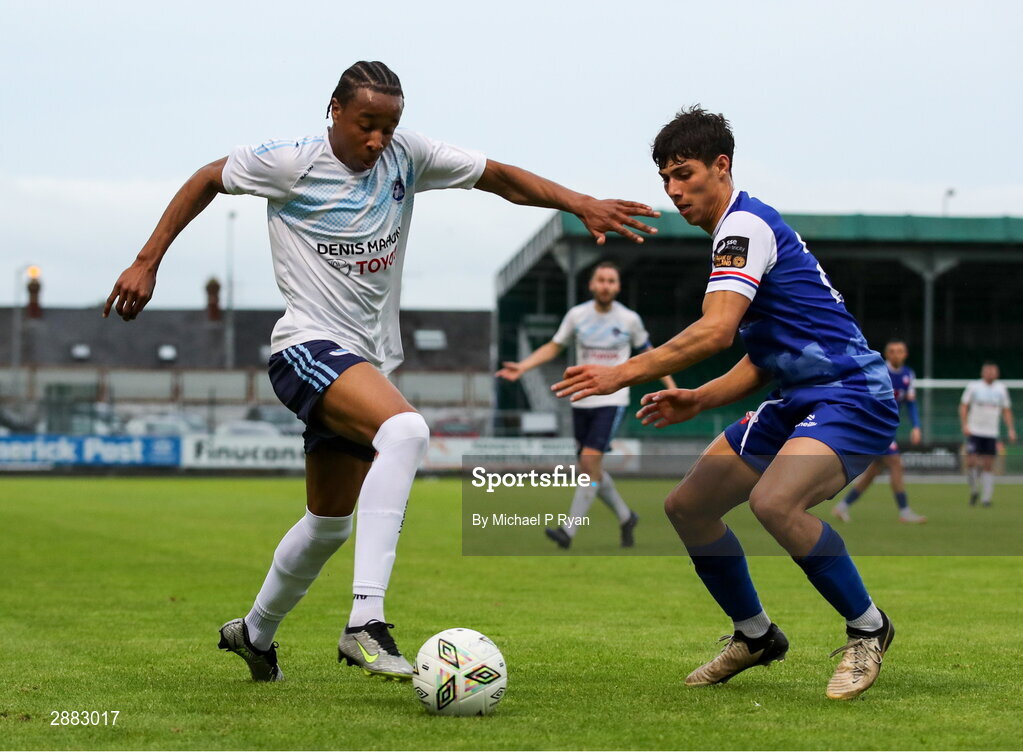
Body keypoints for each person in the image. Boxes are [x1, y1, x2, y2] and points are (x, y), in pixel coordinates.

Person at [103, 61, 659, 683]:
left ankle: (254, 633)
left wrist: (579, 203)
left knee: (327, 525)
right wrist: (147, 260)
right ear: (335, 109)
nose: (377, 140)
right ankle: (365, 621)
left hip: (363, 361)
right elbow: (208, 177)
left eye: (388, 127)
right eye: (366, 124)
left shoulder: (407, 156)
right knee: (407, 430)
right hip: (306, 346)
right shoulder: (289, 163)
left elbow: (499, 177)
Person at [553, 106, 900, 700]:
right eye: (665, 178)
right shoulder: (735, 234)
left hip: (851, 393)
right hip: (797, 397)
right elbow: (765, 358)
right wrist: (698, 398)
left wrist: (623, 372)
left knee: (775, 502)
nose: (672, 190)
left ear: (721, 166)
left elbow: (716, 332)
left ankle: (868, 628)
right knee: (688, 506)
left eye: (683, 174)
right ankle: (755, 635)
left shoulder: (743, 229)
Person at [496, 261, 676, 549]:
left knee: (589, 464)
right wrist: (523, 366)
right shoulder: (577, 315)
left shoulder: (629, 319)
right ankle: (626, 516)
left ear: (618, 287)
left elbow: (650, 354)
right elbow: (555, 345)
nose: (605, 285)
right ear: (591, 284)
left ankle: (568, 531)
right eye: (600, 280)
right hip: (581, 401)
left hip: (612, 400)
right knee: (590, 469)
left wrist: (672, 387)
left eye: (611, 281)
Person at [832, 340, 927, 523]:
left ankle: (842, 507)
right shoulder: (879, 371)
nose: (896, 354)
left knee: (873, 472)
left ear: (905, 354)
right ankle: (905, 512)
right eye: (892, 351)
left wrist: (916, 426)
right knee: (896, 464)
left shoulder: (908, 374)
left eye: (900, 351)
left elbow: (910, 403)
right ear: (886, 354)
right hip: (873, 426)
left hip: (885, 428)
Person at [960, 361, 1016, 507]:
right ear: (982, 372)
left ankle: (986, 498)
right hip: (975, 431)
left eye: (993, 371)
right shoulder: (974, 386)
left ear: (997, 373)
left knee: (988, 465)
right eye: (988, 371)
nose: (990, 373)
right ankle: (974, 490)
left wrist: (1011, 429)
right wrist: (965, 424)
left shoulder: (1001, 389)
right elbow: (964, 406)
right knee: (971, 461)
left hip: (991, 432)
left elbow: (1006, 410)